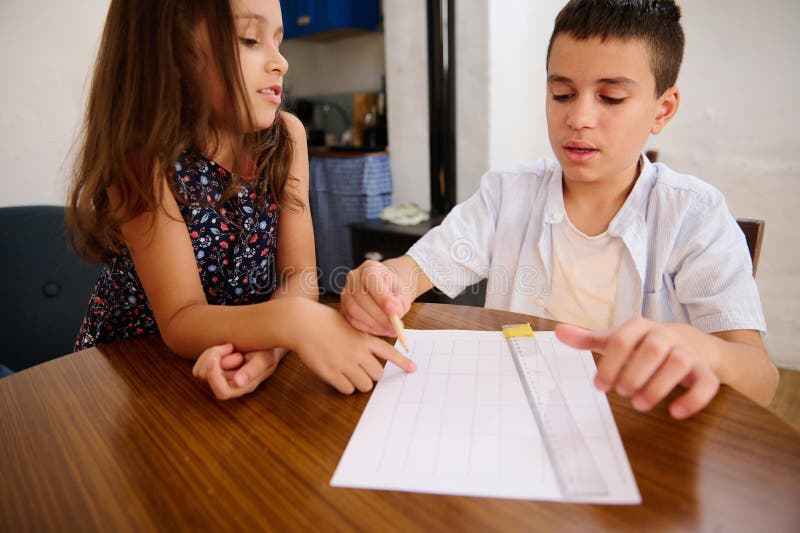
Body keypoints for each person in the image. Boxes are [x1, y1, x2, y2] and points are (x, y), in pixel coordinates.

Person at [340, 0, 778, 418]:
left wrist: (709, 352)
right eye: (563, 93)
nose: (579, 118)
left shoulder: (693, 215)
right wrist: (382, 281)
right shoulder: (508, 193)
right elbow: (414, 271)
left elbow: (762, 379)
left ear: (662, 110)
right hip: (511, 413)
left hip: (640, 434)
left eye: (611, 98)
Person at [68, 0, 414, 400]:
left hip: (236, 358)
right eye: (250, 39)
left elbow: (297, 279)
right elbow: (181, 319)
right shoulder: (142, 156)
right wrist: (294, 321)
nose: (280, 62)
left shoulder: (287, 138)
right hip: (136, 376)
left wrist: (271, 347)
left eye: (278, 42)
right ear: (170, 52)